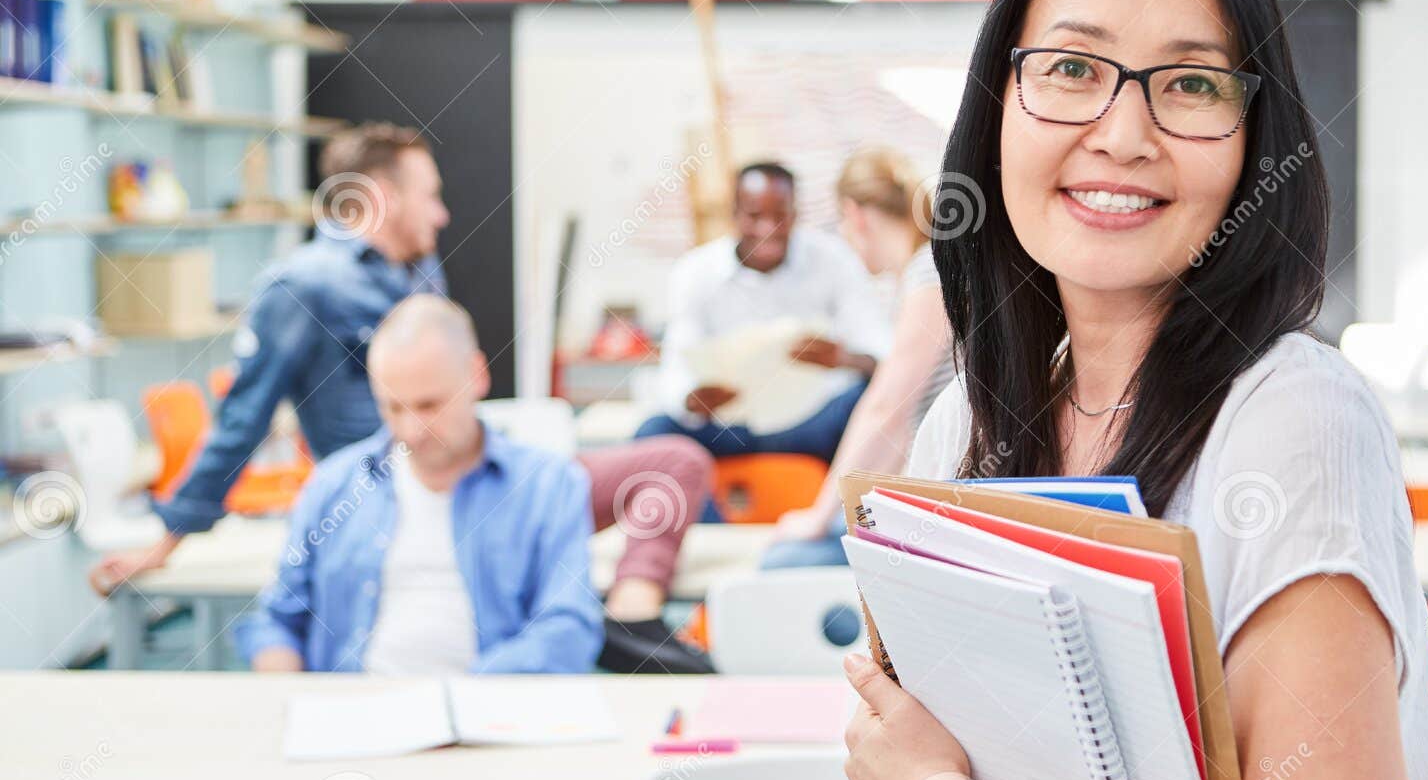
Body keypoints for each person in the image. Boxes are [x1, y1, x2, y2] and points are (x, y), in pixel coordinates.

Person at [840, 0, 1428, 780]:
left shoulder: (1293, 421)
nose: (1123, 133)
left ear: (1257, 142)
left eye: (1190, 85)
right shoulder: (959, 424)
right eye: (1072, 68)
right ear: (999, 106)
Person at [90, 123, 712, 673]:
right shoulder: (301, 286)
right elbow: (242, 418)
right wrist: (167, 540)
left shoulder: (416, 269)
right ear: (383, 199)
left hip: (483, 469)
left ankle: (629, 613)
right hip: (386, 492)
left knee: (672, 461)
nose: (441, 214)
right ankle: (606, 633)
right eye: (430, 196)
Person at [236, 296, 600, 674]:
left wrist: (459, 696)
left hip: (490, 716)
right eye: (393, 408)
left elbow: (568, 632)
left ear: (477, 375)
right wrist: (287, 687)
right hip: (355, 714)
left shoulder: (548, 487)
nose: (411, 431)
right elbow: (276, 619)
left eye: (429, 406)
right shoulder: (334, 485)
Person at [762, 148, 954, 569]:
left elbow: (887, 409)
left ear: (855, 214)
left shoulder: (931, 272)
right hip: (937, 496)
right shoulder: (927, 270)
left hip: (951, 511)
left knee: (781, 562)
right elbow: (900, 430)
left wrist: (817, 517)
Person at [635, 162, 892, 461]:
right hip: (727, 428)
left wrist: (843, 358)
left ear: (795, 216)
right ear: (734, 216)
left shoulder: (833, 260)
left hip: (812, 425)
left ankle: (846, 505)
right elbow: (677, 364)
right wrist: (693, 400)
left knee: (866, 400)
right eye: (754, 215)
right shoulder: (695, 272)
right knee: (652, 434)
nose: (767, 229)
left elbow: (884, 351)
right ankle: (712, 511)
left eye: (780, 216)